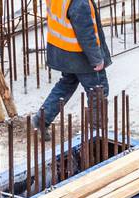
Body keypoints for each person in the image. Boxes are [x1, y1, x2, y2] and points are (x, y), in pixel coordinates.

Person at [37, 0, 111, 138]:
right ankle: (97, 133)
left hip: (64, 51)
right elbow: (86, 34)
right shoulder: (79, 3)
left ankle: (42, 119)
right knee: (98, 90)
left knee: (66, 84)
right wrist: (96, 58)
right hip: (81, 56)